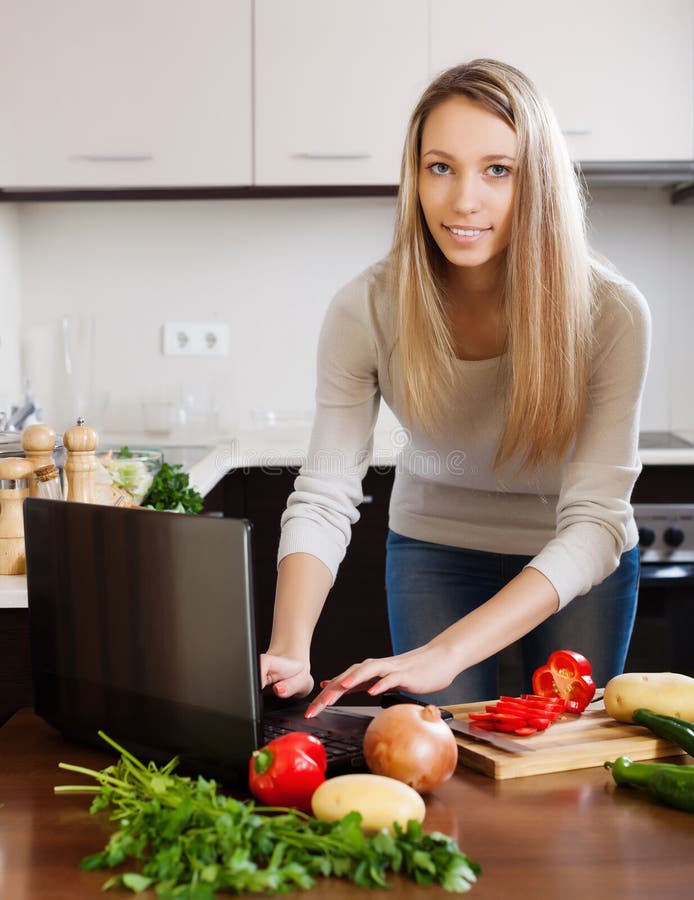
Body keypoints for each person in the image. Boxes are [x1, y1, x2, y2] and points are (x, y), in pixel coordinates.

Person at [259, 59, 650, 716]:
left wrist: (449, 651)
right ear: (416, 176)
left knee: (560, 780)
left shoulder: (611, 313)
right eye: (441, 167)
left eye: (498, 169)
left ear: (539, 182)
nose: (463, 199)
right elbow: (325, 490)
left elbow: (595, 522)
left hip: (574, 564)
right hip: (431, 548)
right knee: (448, 765)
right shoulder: (368, 307)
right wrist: (290, 646)